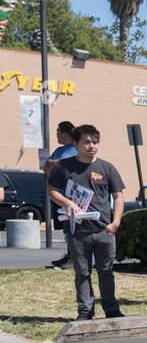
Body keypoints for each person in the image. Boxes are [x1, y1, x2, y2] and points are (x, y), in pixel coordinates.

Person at [46, 124, 125, 320]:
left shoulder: (106, 167)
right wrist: (68, 203)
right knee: (82, 272)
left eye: (95, 142)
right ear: (76, 144)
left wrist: (115, 223)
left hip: (104, 230)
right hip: (77, 231)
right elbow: (52, 191)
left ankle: (112, 310)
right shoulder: (64, 166)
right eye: (86, 142)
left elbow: (119, 196)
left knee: (106, 271)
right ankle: (85, 312)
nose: (91, 146)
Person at [46, 121, 80, 269]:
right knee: (66, 227)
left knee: (74, 226)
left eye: (58, 133)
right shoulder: (60, 150)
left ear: (65, 134)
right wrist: (55, 164)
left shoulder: (75, 149)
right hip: (59, 195)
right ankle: (69, 254)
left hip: (72, 196)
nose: (57, 136)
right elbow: (46, 167)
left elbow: (63, 166)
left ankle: (75, 257)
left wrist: (55, 164)